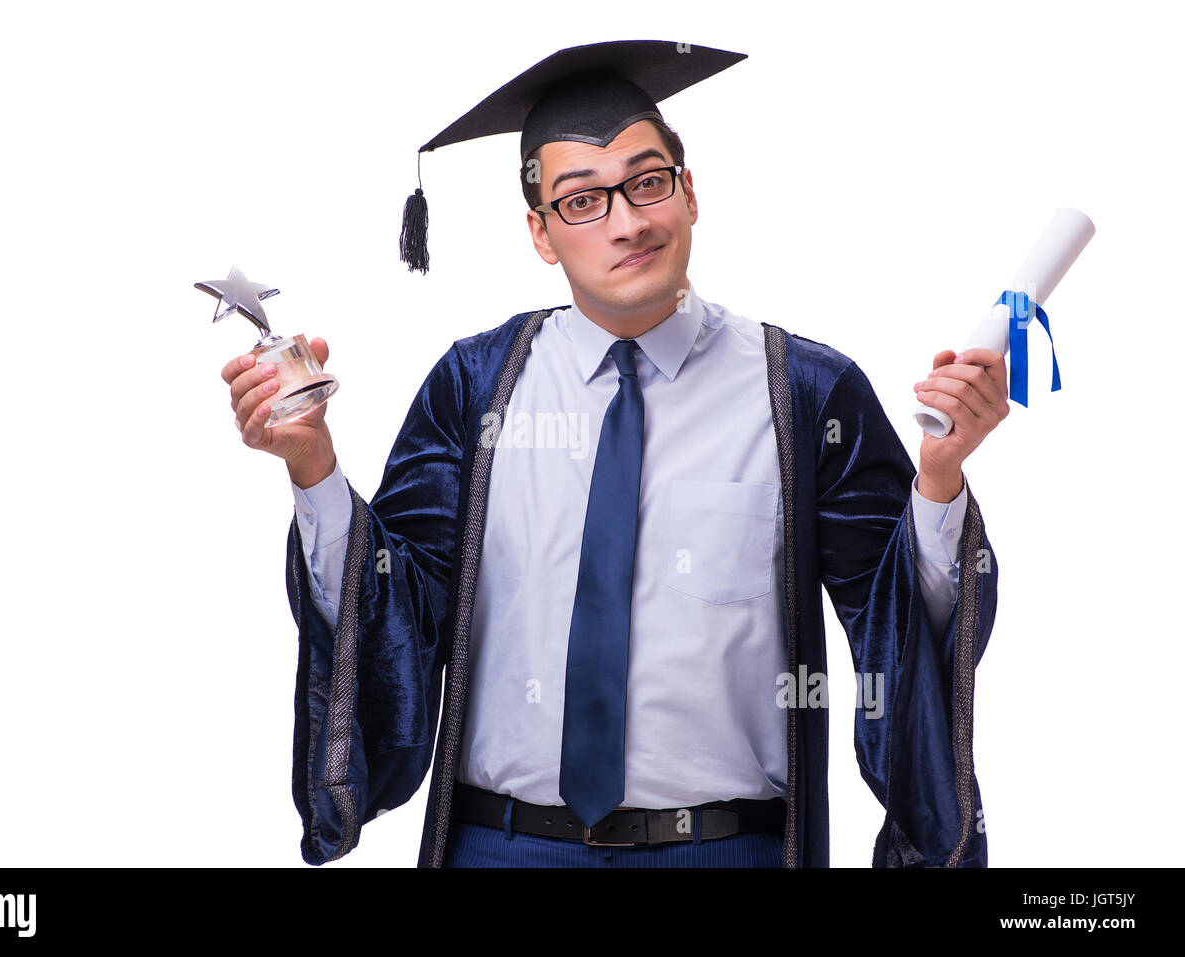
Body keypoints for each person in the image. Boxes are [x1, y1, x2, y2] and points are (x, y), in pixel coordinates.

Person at [220, 40, 1006, 868]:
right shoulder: (474, 386)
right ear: (541, 233)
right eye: (582, 201)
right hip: (500, 846)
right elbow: (395, 616)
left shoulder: (806, 394)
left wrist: (940, 480)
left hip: (721, 850)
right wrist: (313, 469)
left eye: (647, 182)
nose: (627, 221)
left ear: (690, 193)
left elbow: (900, 626)